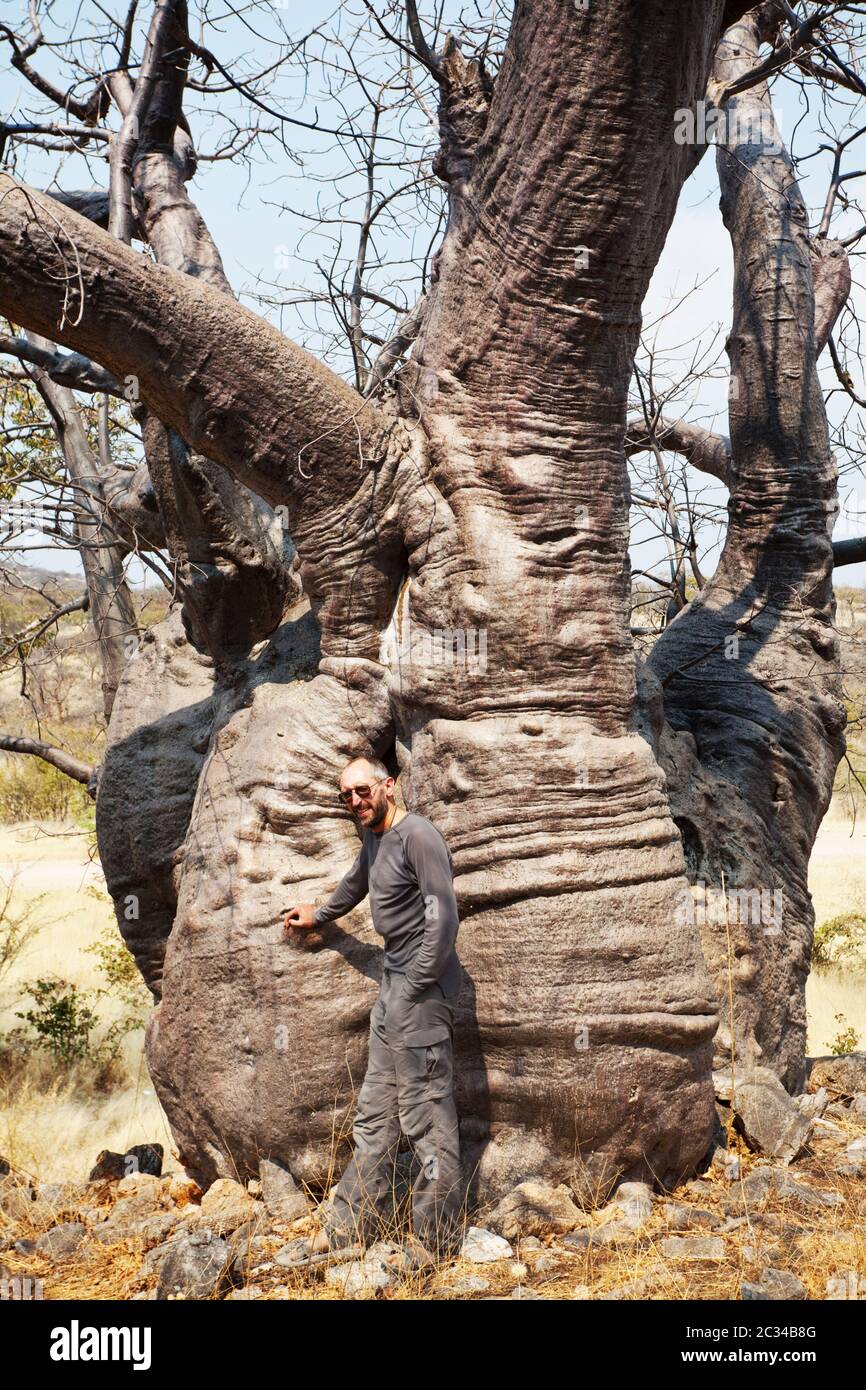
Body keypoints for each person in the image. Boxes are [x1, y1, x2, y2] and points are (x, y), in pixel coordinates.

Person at [283, 755, 464, 1258]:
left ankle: (435, 1241)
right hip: (393, 990)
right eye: (346, 795)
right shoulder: (374, 837)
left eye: (362, 791)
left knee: (427, 1116)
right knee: (374, 1113)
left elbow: (444, 921)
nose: (355, 801)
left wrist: (411, 990)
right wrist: (317, 914)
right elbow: (357, 880)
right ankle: (348, 1227)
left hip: (422, 995)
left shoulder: (418, 836)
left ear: (388, 785)